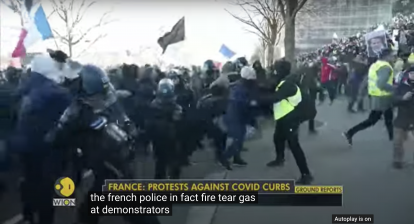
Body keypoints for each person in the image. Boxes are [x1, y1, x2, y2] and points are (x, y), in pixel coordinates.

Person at [45, 64, 160, 224]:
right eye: (97, 96)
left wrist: (128, 127)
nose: (102, 99)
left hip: (114, 167)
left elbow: (120, 115)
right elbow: (55, 138)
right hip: (103, 166)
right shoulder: (76, 113)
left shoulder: (106, 102)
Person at [10, 51, 72, 224]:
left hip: (23, 144)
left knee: (29, 179)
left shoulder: (24, 87)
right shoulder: (58, 92)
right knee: (47, 186)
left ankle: (28, 213)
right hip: (47, 146)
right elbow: (70, 116)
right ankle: (46, 219)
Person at [264, 60, 313, 184]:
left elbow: (275, 98)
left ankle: (306, 174)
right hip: (284, 117)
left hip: (291, 118)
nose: (274, 72)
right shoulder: (284, 81)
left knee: (294, 145)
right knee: (277, 138)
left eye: (276, 69)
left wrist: (258, 98)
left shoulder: (287, 84)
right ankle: (280, 159)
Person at [343, 48, 395, 146]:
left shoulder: (374, 65)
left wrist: (361, 91)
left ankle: (392, 138)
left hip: (376, 96)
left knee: (384, 119)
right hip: (383, 97)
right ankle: (350, 133)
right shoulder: (385, 67)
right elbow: (381, 84)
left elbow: (367, 79)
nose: (393, 57)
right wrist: (395, 89)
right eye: (392, 55)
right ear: (387, 56)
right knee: (375, 120)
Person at [218, 66, 256, 170]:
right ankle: (224, 158)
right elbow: (242, 104)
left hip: (237, 116)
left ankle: (236, 158)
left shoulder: (240, 86)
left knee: (240, 138)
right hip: (236, 116)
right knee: (238, 139)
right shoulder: (241, 88)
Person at [146, 78, 183, 179]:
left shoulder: (153, 106)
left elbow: (149, 126)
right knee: (171, 163)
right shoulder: (176, 107)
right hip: (170, 139)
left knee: (161, 163)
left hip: (161, 140)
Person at [392, 67, 414, 169]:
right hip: (402, 118)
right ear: (408, 75)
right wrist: (402, 98)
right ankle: (397, 160)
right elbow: (393, 100)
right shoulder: (401, 86)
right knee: (398, 141)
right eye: (412, 73)